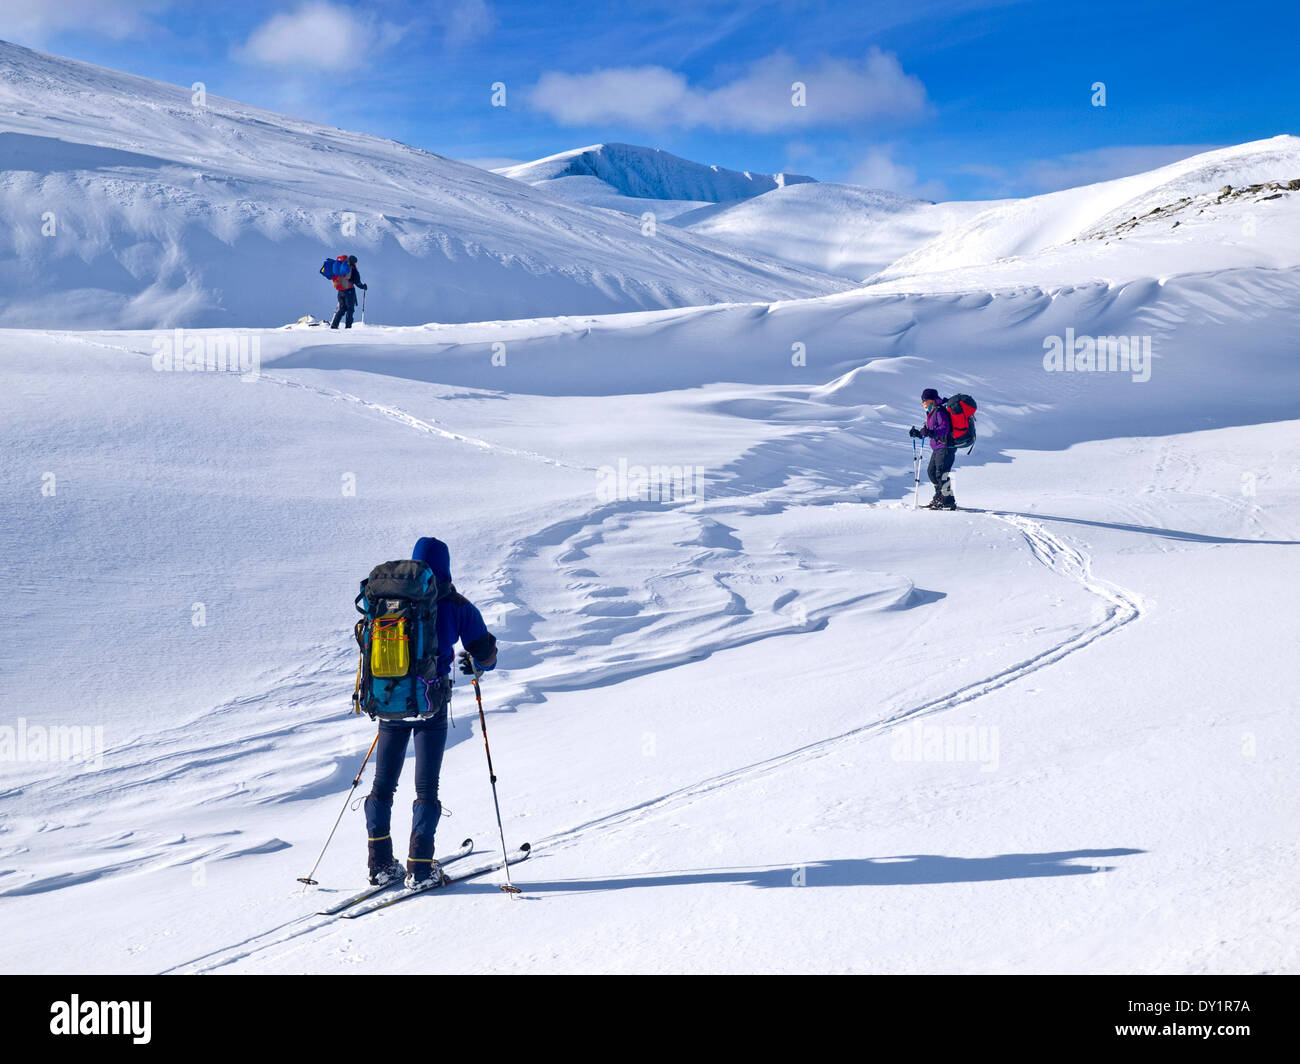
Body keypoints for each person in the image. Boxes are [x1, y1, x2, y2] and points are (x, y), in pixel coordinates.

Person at [364, 536, 498, 887]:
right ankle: (420, 868)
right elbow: (485, 652)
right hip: (430, 707)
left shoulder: (389, 601)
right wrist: (479, 664)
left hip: (389, 702)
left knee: (382, 785)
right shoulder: (456, 604)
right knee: (426, 788)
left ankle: (379, 864)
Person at [909, 388, 958, 509]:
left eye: (924, 401)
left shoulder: (940, 411)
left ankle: (948, 501)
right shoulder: (931, 413)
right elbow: (930, 431)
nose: (922, 403)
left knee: (942, 474)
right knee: (931, 472)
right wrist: (918, 433)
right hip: (938, 447)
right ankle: (939, 496)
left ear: (930, 400)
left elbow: (944, 428)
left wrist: (930, 432)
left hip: (946, 447)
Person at [329, 254, 367, 329]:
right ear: (353, 262)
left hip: (340, 291)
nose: (357, 264)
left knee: (342, 309)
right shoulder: (353, 269)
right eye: (356, 262)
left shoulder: (341, 269)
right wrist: (364, 287)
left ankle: (334, 325)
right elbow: (357, 282)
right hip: (349, 292)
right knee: (350, 310)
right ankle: (348, 327)